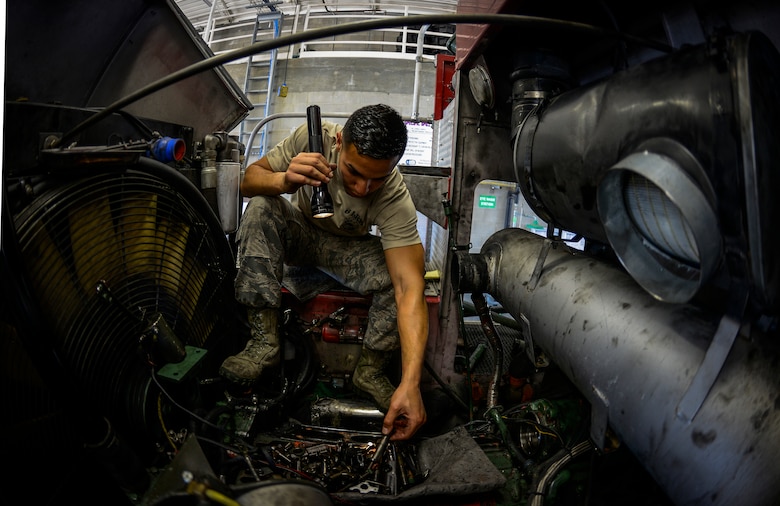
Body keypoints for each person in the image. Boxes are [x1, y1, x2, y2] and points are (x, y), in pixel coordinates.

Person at [219, 104, 428, 441]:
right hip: (299, 235)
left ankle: (370, 372)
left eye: (378, 178)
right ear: (339, 142)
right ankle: (264, 344)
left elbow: (409, 290)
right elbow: (248, 182)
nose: (363, 188)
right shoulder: (309, 139)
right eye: (354, 172)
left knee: (401, 276)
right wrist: (283, 180)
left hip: (346, 251)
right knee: (261, 207)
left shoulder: (394, 197)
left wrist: (411, 382)